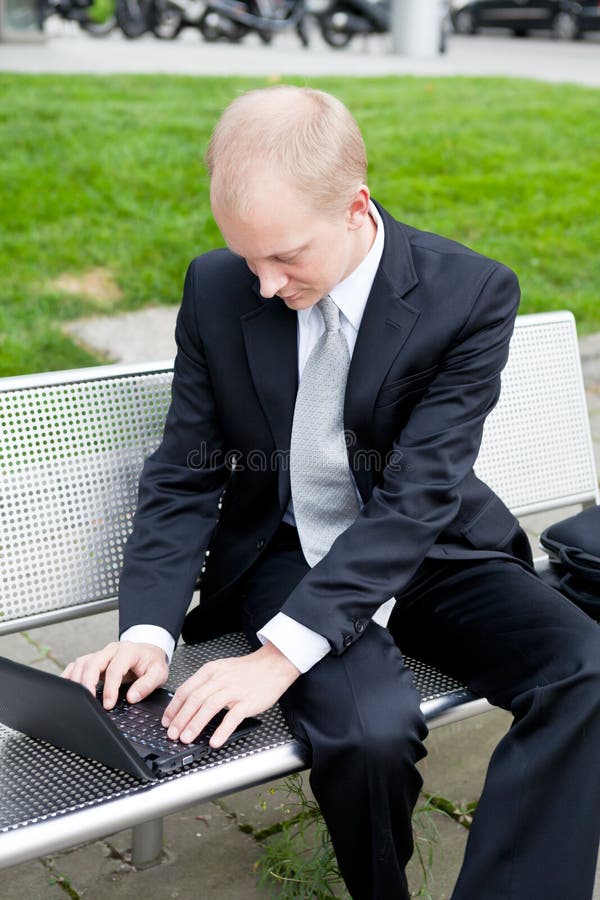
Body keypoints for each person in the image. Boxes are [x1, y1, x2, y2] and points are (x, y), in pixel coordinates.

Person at [63, 85, 600, 900]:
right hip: (289, 552)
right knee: (366, 734)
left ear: (356, 205)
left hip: (431, 548)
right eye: (248, 257)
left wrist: (280, 657)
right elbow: (186, 470)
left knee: (586, 667)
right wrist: (147, 629)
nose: (266, 284)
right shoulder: (217, 289)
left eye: (286, 256)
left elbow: (419, 495)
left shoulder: (468, 294)